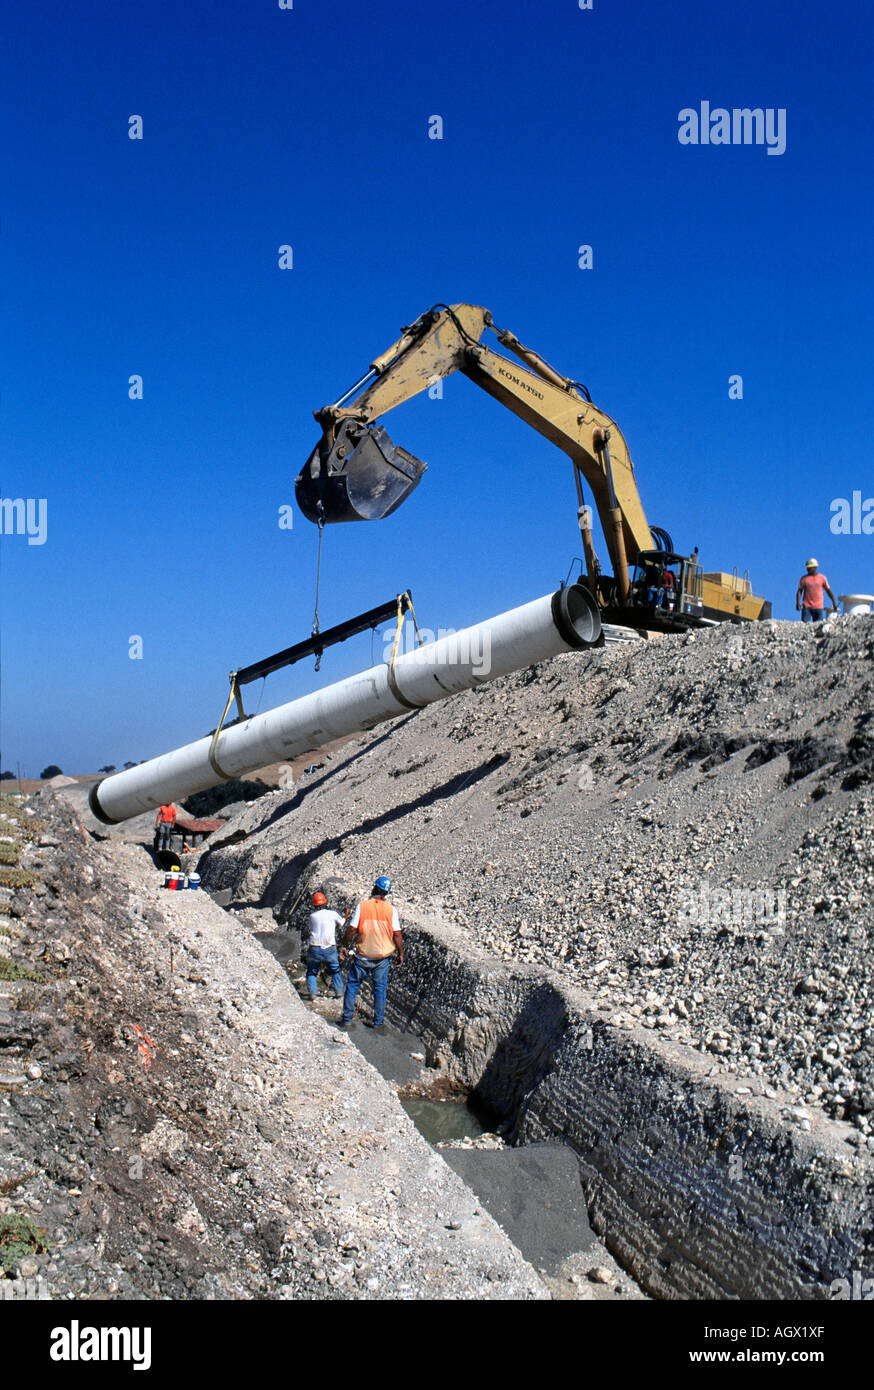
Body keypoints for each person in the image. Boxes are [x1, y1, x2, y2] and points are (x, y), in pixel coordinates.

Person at [338, 876, 403, 1033]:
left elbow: (352, 929)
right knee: (380, 989)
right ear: (386, 893)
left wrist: (344, 946)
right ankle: (378, 1023)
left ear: (374, 888)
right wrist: (401, 953)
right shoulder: (391, 910)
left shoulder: (363, 906)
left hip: (363, 956)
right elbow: (397, 934)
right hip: (382, 957)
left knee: (353, 986)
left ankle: (347, 1020)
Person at [304, 892, 346, 1003]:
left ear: (314, 905)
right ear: (325, 903)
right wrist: (346, 915)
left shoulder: (312, 916)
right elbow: (342, 923)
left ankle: (313, 994)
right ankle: (339, 992)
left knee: (312, 971)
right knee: (335, 970)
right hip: (329, 946)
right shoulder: (332, 914)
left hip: (315, 946)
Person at [796, 558, 837, 623]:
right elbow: (799, 591)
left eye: (809, 568)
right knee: (805, 625)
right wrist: (798, 603)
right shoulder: (804, 579)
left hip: (818, 607)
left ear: (815, 567)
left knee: (817, 626)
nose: (808, 570)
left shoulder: (822, 578)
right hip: (807, 607)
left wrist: (834, 602)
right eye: (807, 568)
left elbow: (828, 590)